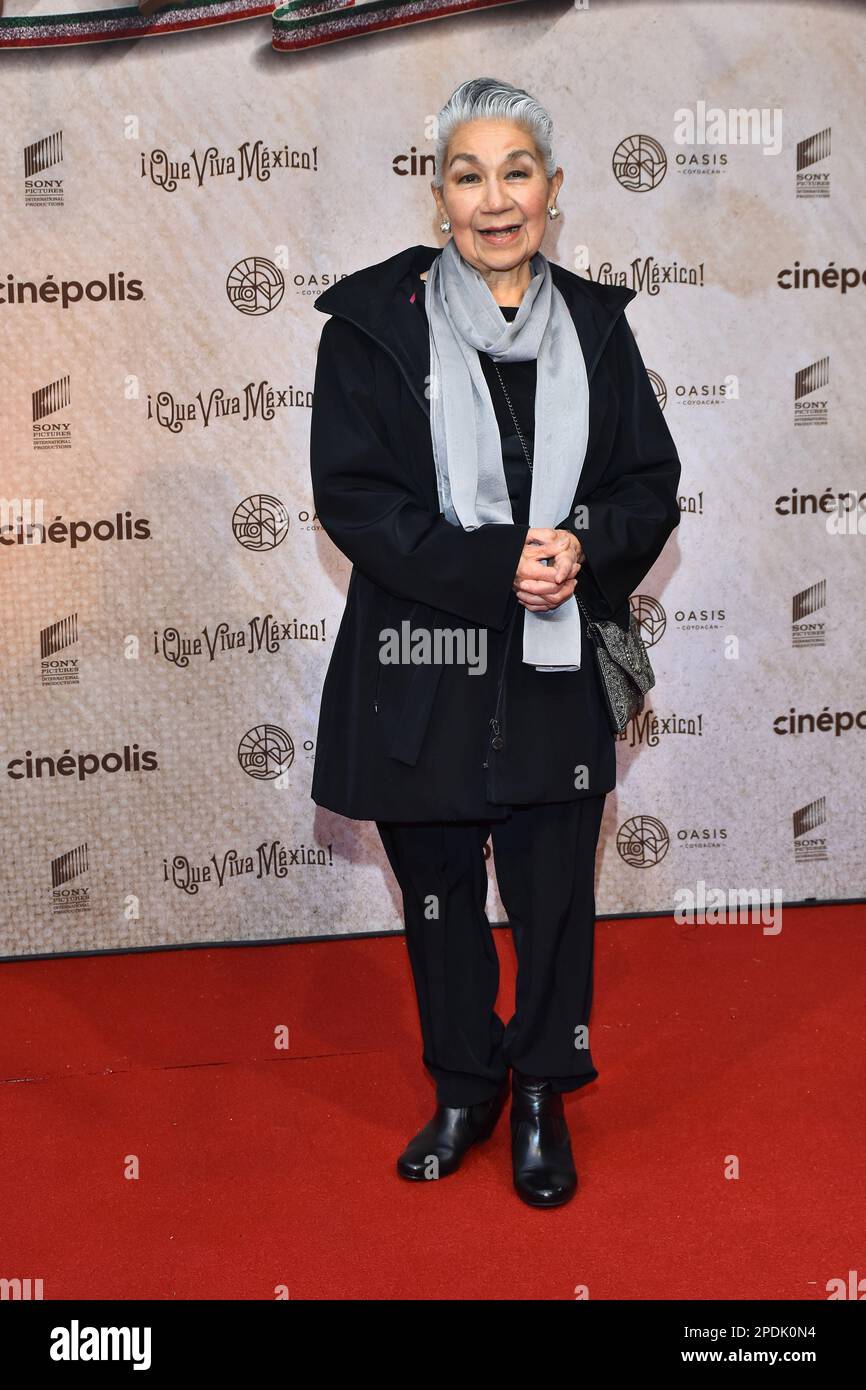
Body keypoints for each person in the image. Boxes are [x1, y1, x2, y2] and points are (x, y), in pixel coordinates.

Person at [309, 77, 681, 1207]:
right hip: (421, 667)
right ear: (439, 199)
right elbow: (355, 498)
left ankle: (537, 1095)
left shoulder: (600, 328)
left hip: (554, 660)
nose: (494, 198)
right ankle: (464, 1086)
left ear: (552, 189)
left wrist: (578, 542)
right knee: (434, 894)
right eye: (467, 175)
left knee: (555, 892)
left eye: (515, 171)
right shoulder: (373, 324)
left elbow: (646, 485)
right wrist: (492, 567)